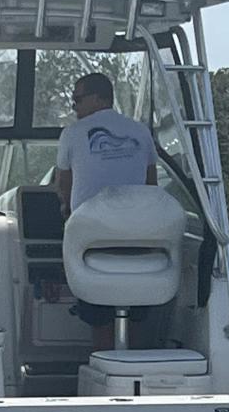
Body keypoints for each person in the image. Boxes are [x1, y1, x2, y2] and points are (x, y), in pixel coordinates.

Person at [53, 72, 160, 350]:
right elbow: (151, 184)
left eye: (78, 100)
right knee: (135, 312)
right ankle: (132, 363)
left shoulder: (72, 134)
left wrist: (67, 211)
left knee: (98, 314)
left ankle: (104, 361)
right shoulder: (141, 131)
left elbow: (63, 185)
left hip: (92, 238)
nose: (74, 107)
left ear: (99, 98)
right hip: (139, 237)